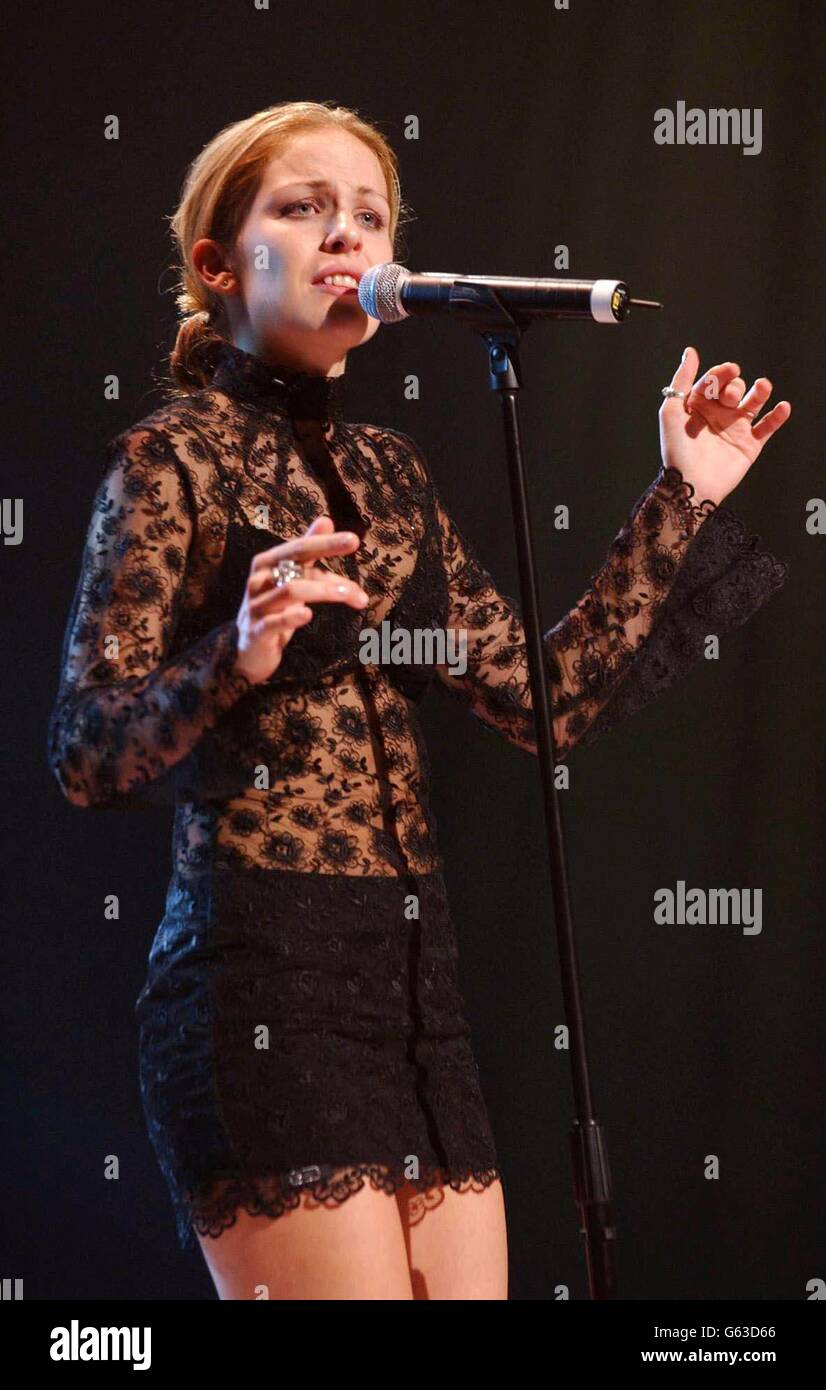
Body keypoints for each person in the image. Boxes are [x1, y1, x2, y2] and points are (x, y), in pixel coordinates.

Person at [47, 100, 791, 1301]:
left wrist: (681, 497)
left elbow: (541, 700)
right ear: (217, 263)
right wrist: (228, 658)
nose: (347, 237)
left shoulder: (392, 473)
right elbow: (82, 751)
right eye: (303, 209)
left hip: (414, 991)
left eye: (371, 216)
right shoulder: (168, 460)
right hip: (256, 985)